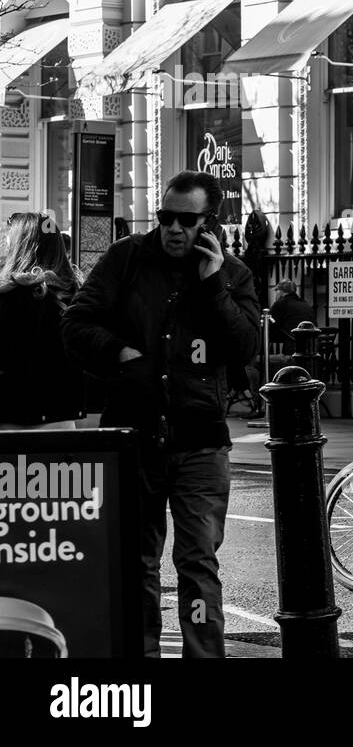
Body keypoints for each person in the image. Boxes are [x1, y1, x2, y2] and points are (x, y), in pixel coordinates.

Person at [62, 170, 260, 658]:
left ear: (209, 223)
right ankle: (140, 656)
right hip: (133, 436)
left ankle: (203, 655)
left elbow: (245, 349)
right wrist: (118, 354)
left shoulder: (233, 274)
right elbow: (76, 322)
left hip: (200, 441)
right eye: (166, 216)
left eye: (186, 220)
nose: (173, 228)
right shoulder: (126, 259)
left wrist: (213, 287)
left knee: (197, 562)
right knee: (136, 560)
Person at [0, 213, 83, 429]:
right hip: (62, 421)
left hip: (12, 422)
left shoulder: (8, 298)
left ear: (21, 246)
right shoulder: (73, 297)